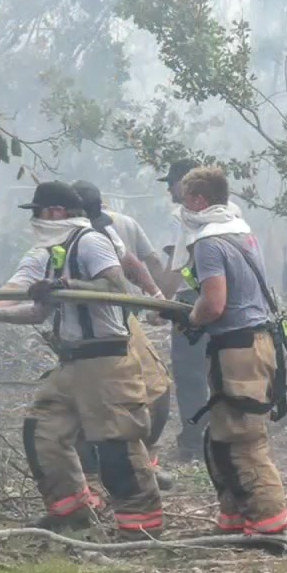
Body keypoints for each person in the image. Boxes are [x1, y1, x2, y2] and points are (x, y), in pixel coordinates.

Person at [0, 181, 164, 540]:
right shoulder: (45, 253)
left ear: (56, 212)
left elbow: (117, 289)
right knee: (42, 431)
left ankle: (141, 529)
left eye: (39, 212)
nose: (36, 220)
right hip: (70, 364)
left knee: (117, 446)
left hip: (105, 361)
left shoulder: (90, 241)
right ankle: (70, 512)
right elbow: (23, 299)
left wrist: (66, 286)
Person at [158, 165, 287, 538]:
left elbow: (214, 304)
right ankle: (235, 517)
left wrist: (191, 319)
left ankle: (269, 526)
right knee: (220, 435)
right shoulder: (240, 230)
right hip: (252, 344)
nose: (181, 205)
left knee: (243, 437)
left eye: (185, 198)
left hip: (238, 349)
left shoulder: (208, 242)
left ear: (199, 200)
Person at [69, 180, 176, 493]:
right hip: (86, 338)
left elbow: (131, 262)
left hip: (122, 321)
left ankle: (144, 459)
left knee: (156, 388)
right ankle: (93, 475)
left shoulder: (104, 231)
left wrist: (156, 296)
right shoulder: (57, 244)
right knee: (93, 405)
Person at [153, 158, 213, 463]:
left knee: (189, 373)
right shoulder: (225, 213)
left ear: (183, 183)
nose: (169, 191)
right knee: (217, 369)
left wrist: (158, 302)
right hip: (224, 298)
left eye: (170, 183)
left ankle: (193, 442)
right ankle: (221, 435)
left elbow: (174, 265)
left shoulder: (181, 217)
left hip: (189, 302)